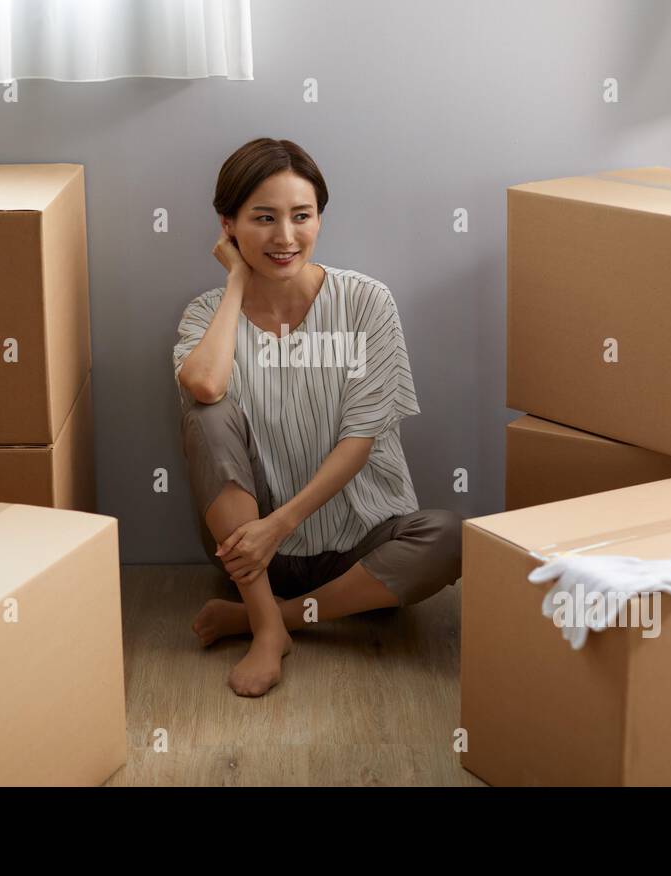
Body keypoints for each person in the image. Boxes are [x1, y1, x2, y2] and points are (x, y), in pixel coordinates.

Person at [173, 137, 462, 698]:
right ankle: (264, 622)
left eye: (301, 217)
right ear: (228, 225)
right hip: (258, 557)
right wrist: (236, 282)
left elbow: (360, 439)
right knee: (206, 414)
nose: (285, 238)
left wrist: (279, 525)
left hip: (363, 549)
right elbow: (205, 384)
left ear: (319, 219)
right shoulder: (206, 314)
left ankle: (266, 621)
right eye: (263, 219)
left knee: (452, 538)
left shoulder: (366, 302)